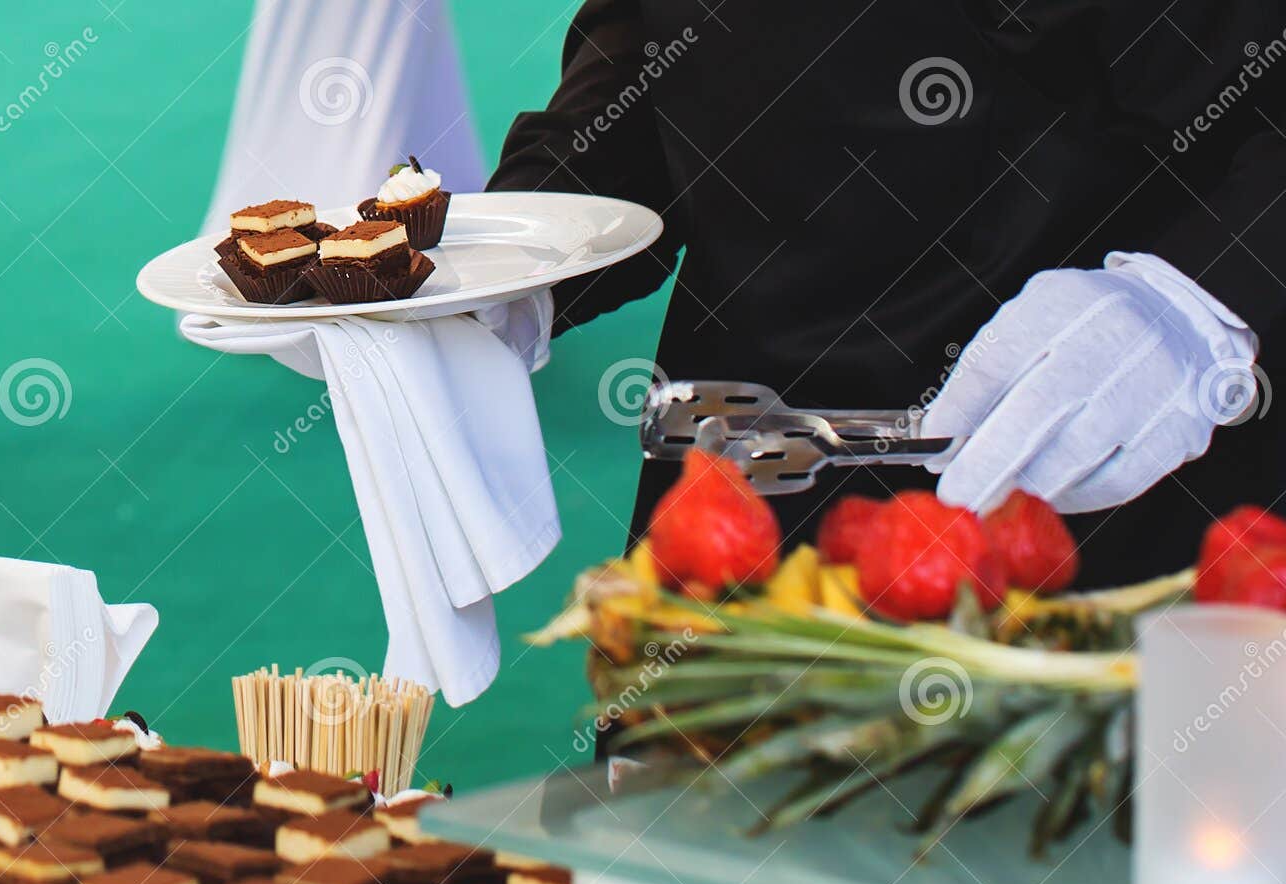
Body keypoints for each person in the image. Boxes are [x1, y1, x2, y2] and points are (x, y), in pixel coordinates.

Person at [488, 1, 1285, 586]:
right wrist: (516, 263)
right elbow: (650, 59)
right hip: (736, 505)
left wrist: (1196, 297)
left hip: (1077, 478)